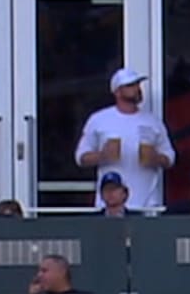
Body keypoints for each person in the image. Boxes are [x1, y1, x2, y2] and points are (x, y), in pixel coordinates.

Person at [74, 68, 175, 211]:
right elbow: (81, 157)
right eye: (130, 86)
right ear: (117, 91)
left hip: (148, 204)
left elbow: (170, 157)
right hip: (110, 206)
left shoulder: (153, 122)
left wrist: (156, 158)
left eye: (138, 85)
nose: (137, 89)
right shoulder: (99, 120)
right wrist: (103, 156)